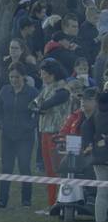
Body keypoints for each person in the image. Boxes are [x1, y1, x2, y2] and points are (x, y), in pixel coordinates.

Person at [0, 62, 39, 208]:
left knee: (24, 166)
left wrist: (30, 126)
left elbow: (38, 113)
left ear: (23, 77)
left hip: (25, 137)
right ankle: (2, 199)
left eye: (16, 77)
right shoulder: (5, 91)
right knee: (6, 167)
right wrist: (1, 124)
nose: (13, 80)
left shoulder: (32, 93)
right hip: (7, 136)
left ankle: (26, 199)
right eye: (11, 77)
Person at [32, 58, 72, 210]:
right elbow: (34, 104)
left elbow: (49, 103)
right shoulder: (46, 88)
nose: (41, 76)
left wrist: (41, 107)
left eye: (43, 73)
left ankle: (60, 202)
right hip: (44, 133)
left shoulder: (62, 89)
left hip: (57, 135)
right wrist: (38, 107)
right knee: (49, 170)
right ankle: (51, 203)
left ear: (52, 74)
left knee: (58, 170)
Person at [82, 91, 108, 222]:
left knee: (102, 194)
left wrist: (89, 144)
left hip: (99, 157)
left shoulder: (97, 111)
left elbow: (86, 126)